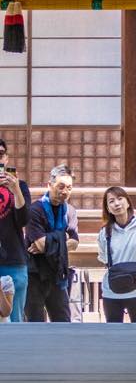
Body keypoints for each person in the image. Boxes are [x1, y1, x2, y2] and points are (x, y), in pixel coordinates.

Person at [24, 164, 78, 322]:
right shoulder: (35, 210)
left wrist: (51, 242)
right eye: (60, 186)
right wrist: (63, 238)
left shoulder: (70, 211)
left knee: (63, 321)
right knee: (35, 323)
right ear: (49, 185)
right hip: (35, 274)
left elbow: (74, 243)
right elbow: (40, 244)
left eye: (69, 187)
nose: (64, 192)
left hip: (57, 272)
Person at [98, 186, 136, 323]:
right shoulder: (105, 231)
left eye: (120, 198)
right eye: (111, 201)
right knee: (114, 334)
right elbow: (103, 256)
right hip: (112, 291)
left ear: (128, 202)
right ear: (107, 208)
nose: (117, 203)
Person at [0, 138, 31, 322]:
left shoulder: (21, 186)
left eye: (1, 154)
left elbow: (24, 220)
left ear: (7, 158)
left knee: (15, 320)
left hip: (14, 259)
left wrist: (16, 190)